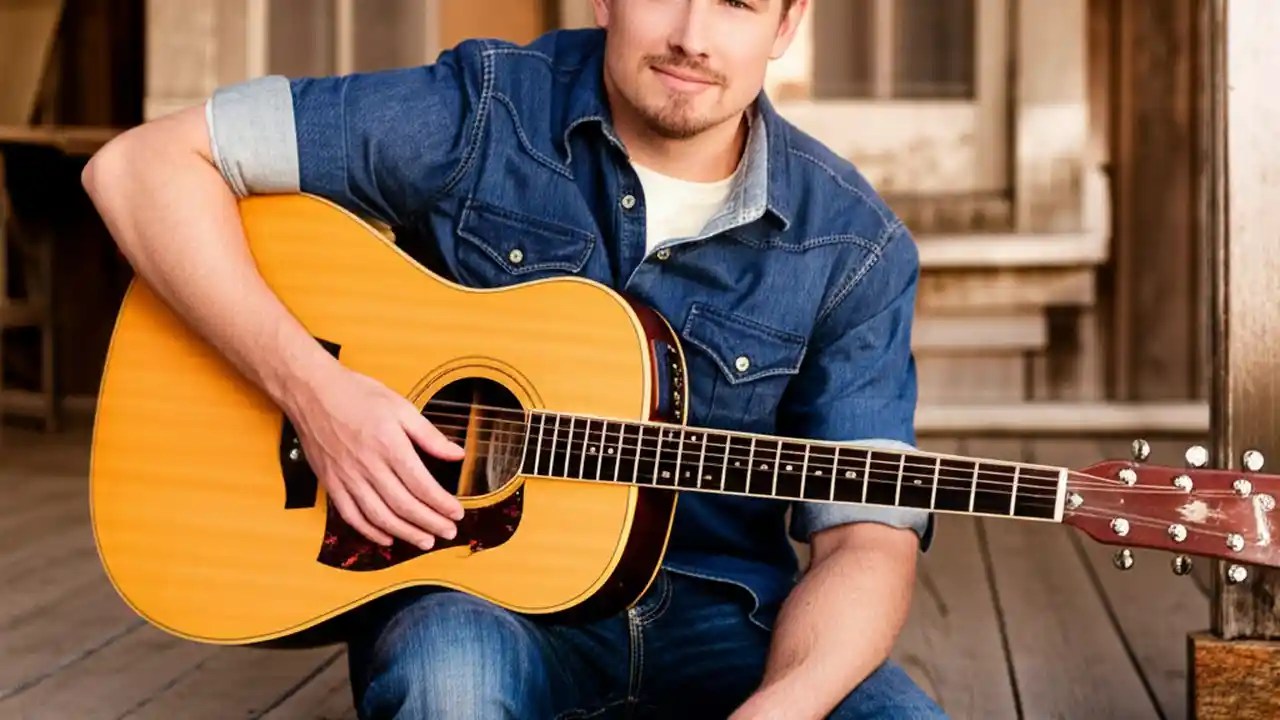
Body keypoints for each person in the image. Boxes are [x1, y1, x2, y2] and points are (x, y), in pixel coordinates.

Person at [82, 0, 947, 717]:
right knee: (452, 684)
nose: (691, 33)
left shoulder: (853, 245)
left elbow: (865, 539)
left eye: (736, 3)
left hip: (729, 624)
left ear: (787, 24)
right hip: (484, 603)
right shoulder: (482, 108)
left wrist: (781, 709)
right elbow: (139, 167)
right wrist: (313, 391)